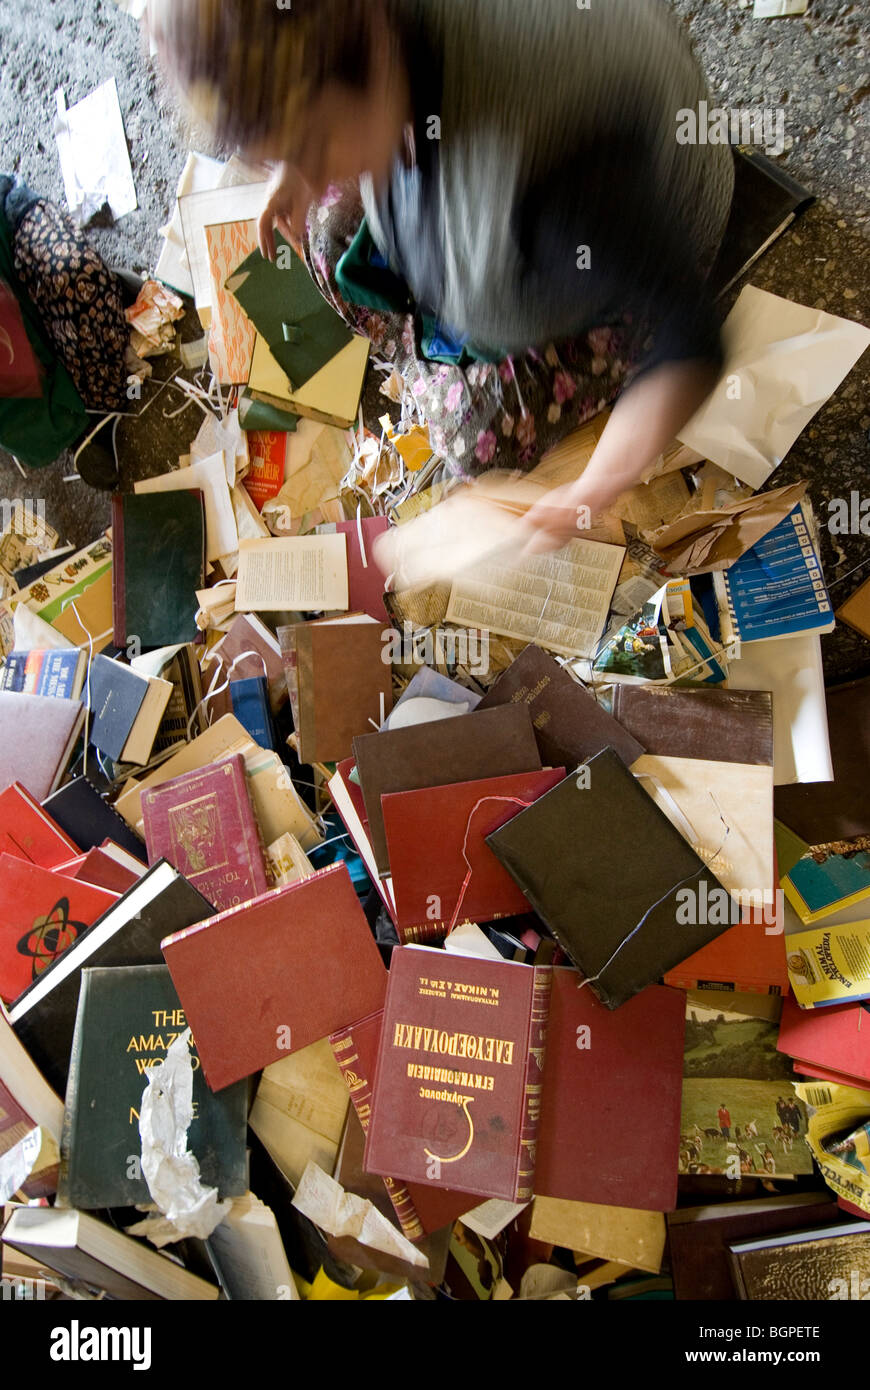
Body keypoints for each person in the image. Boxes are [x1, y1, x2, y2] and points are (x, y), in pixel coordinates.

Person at [149, 0, 734, 547]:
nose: (309, 166)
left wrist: (583, 495)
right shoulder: (370, 40)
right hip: (507, 226)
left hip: (615, 282)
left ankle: (450, 373)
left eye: (314, 141)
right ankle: (439, 361)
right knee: (323, 235)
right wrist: (300, 171)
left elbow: (692, 340)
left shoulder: (559, 167)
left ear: (372, 49)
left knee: (475, 444)